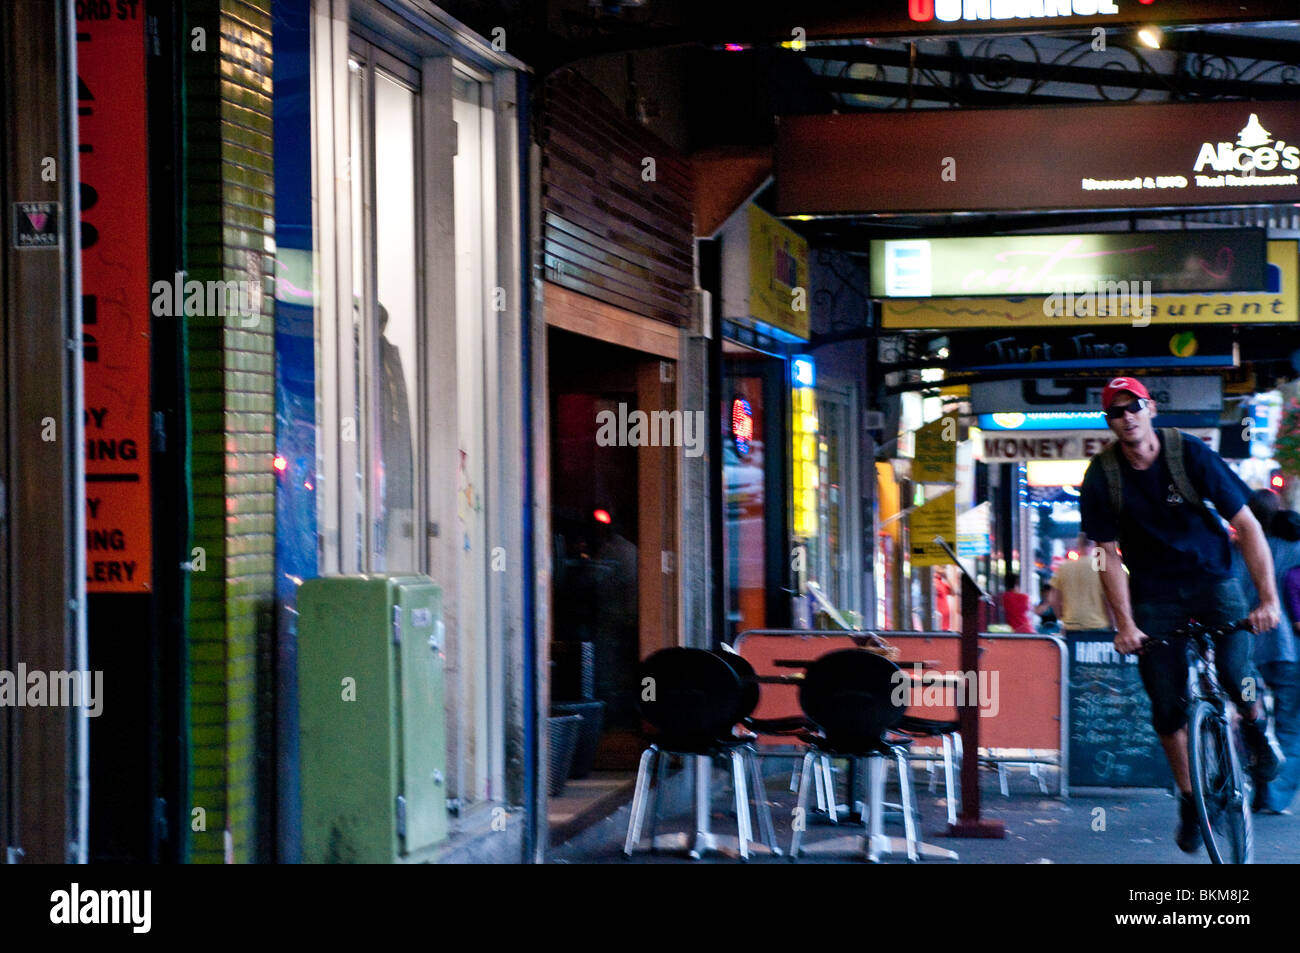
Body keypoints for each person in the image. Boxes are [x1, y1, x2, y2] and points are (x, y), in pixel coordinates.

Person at [1080, 376, 1282, 853]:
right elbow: (1107, 554)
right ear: (1109, 421)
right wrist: (1124, 624)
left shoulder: (1188, 454)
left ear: (1149, 409)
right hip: (1153, 594)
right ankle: (1191, 801)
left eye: (1134, 407)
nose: (1126, 417)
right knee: (1166, 706)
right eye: (1116, 411)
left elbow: (1247, 525)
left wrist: (1267, 599)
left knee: (1236, 672)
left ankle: (1255, 728)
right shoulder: (1102, 474)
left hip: (1213, 581)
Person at [1231, 489, 1300, 814]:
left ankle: (1259, 787)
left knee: (1252, 720)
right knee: (1290, 725)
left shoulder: (1232, 551)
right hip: (1287, 652)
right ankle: (1274, 796)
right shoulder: (1293, 547)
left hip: (1245, 651)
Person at [1048, 535, 1114, 633]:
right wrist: (1113, 625)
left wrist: (1061, 618)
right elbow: (1108, 601)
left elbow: (1054, 600)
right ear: (1095, 545)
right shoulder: (1102, 567)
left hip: (1071, 626)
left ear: (1078, 544)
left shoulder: (1063, 567)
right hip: (1099, 627)